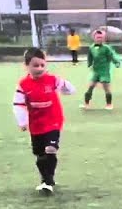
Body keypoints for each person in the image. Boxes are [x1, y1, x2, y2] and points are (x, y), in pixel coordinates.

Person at [13, 48, 77, 195]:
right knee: (40, 155)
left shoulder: (52, 80)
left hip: (53, 120)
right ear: (26, 66)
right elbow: (18, 104)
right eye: (36, 65)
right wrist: (22, 121)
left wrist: (67, 88)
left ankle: (47, 182)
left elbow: (69, 89)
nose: (40, 68)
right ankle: (47, 178)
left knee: (51, 149)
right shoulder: (23, 85)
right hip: (36, 124)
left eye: (43, 65)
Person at [83, 29, 121, 110]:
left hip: (104, 71)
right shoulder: (91, 47)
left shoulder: (106, 48)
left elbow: (112, 56)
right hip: (96, 71)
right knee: (90, 86)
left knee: (106, 87)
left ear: (103, 38)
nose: (99, 39)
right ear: (94, 38)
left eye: (101, 37)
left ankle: (109, 104)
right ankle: (86, 104)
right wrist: (89, 64)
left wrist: (116, 62)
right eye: (97, 37)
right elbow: (90, 57)